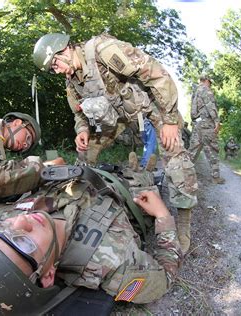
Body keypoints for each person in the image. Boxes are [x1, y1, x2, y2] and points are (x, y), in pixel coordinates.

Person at [0, 165, 182, 315]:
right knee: (151, 170)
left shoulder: (12, 220)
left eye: (3, 228)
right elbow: (163, 280)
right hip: (132, 186)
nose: (22, 222)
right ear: (49, 275)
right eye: (24, 243)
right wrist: (162, 216)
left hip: (89, 172)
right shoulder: (111, 263)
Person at [32, 33, 198, 252]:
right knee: (86, 151)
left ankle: (183, 223)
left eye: (55, 64)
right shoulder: (72, 82)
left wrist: (169, 119)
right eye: (52, 69)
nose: (57, 70)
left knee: (175, 157)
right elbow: (79, 114)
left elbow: (157, 75)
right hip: (119, 118)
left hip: (152, 108)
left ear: (65, 49)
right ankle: (87, 197)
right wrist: (82, 130)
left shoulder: (102, 50)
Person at [188, 74, 225, 184]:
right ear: (207, 81)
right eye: (210, 82)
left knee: (192, 152)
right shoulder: (206, 90)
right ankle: (216, 177)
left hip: (197, 124)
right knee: (213, 150)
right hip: (207, 125)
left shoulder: (195, 92)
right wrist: (217, 121)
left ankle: (184, 176)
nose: (211, 85)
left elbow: (193, 111)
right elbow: (211, 106)